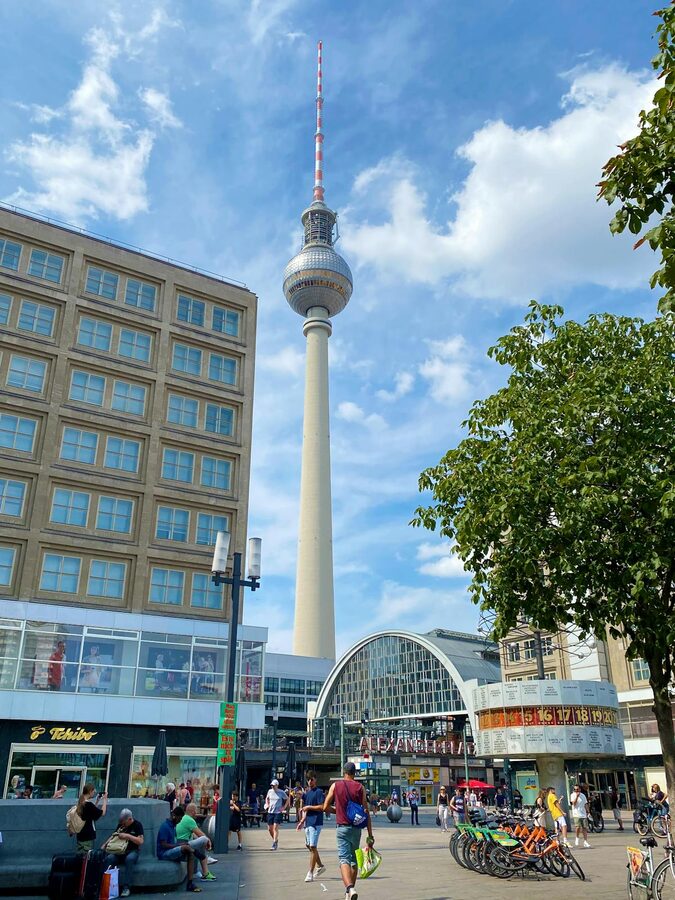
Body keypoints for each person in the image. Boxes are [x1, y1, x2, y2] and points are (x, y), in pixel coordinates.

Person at [322, 762, 374, 900]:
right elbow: (366, 812)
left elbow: (325, 807)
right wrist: (370, 835)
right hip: (356, 828)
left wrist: (337, 811)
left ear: (343, 772)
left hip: (342, 828)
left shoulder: (336, 785)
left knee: (344, 859)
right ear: (354, 773)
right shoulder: (360, 787)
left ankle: (350, 888)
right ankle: (348, 893)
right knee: (354, 860)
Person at [157, 807, 201, 893]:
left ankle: (190, 883)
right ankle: (198, 854)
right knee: (185, 847)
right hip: (163, 853)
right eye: (179, 818)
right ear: (174, 816)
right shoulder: (164, 826)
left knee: (189, 853)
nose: (180, 821)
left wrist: (179, 845)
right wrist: (178, 845)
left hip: (172, 850)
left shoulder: (173, 827)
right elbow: (163, 844)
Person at [105, 808, 144, 898]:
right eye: (122, 823)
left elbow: (141, 841)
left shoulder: (137, 825)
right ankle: (107, 885)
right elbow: (113, 835)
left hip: (132, 851)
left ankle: (127, 887)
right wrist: (105, 844)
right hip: (119, 851)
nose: (123, 825)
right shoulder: (120, 825)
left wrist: (128, 836)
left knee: (129, 859)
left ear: (130, 819)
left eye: (124, 823)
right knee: (110, 858)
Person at [299, 771, 326, 883]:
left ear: (315, 779)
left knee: (313, 846)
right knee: (309, 845)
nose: (310, 781)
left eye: (311, 779)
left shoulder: (319, 792)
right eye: (308, 779)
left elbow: (322, 806)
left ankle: (310, 872)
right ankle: (320, 865)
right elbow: (305, 809)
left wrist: (309, 807)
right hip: (308, 823)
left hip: (316, 823)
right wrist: (302, 820)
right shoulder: (307, 793)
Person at [178, 803, 216, 879]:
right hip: (183, 844)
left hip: (181, 843)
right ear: (193, 812)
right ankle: (205, 870)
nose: (197, 813)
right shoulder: (190, 820)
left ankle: (200, 867)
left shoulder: (184, 818)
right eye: (196, 811)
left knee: (199, 843)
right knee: (203, 839)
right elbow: (200, 834)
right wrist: (208, 842)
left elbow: (195, 835)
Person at [75, 783, 107, 854]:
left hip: (81, 834)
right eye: (93, 791)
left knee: (81, 856)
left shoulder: (81, 803)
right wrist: (105, 800)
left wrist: (97, 801)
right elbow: (102, 812)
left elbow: (91, 813)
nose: (94, 792)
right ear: (90, 791)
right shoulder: (88, 805)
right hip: (87, 836)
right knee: (85, 857)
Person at [264, 778, 289, 850]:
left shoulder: (281, 792)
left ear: (277, 785)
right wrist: (267, 804)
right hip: (270, 812)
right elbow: (267, 798)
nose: (272, 787)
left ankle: (274, 843)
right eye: (271, 785)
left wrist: (284, 807)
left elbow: (287, 799)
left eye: (274, 785)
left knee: (275, 827)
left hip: (278, 812)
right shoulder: (270, 791)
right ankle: (275, 840)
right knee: (269, 828)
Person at [569, 783, 591, 849]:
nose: (576, 791)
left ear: (580, 789)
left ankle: (585, 841)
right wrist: (577, 796)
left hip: (583, 814)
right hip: (576, 813)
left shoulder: (583, 795)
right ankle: (577, 837)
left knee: (584, 827)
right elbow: (574, 804)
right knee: (577, 827)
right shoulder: (572, 795)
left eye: (577, 789)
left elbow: (585, 804)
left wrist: (588, 812)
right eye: (575, 789)